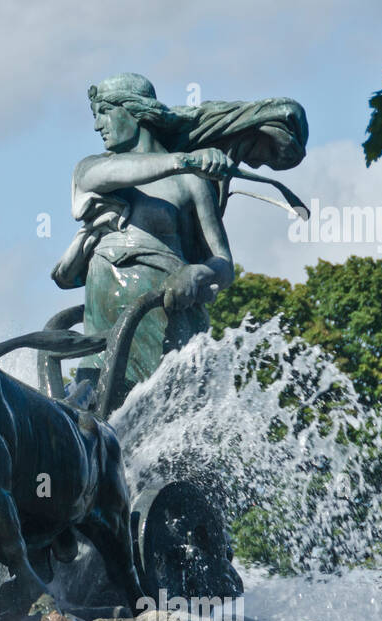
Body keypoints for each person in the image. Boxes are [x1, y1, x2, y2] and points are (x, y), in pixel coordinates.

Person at [53, 73, 308, 397]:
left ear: (136, 112)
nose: (97, 125)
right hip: (103, 334)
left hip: (168, 322)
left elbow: (224, 265)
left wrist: (197, 272)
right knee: (89, 417)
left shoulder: (192, 183)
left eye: (104, 112)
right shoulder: (93, 169)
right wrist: (184, 160)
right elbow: (103, 177)